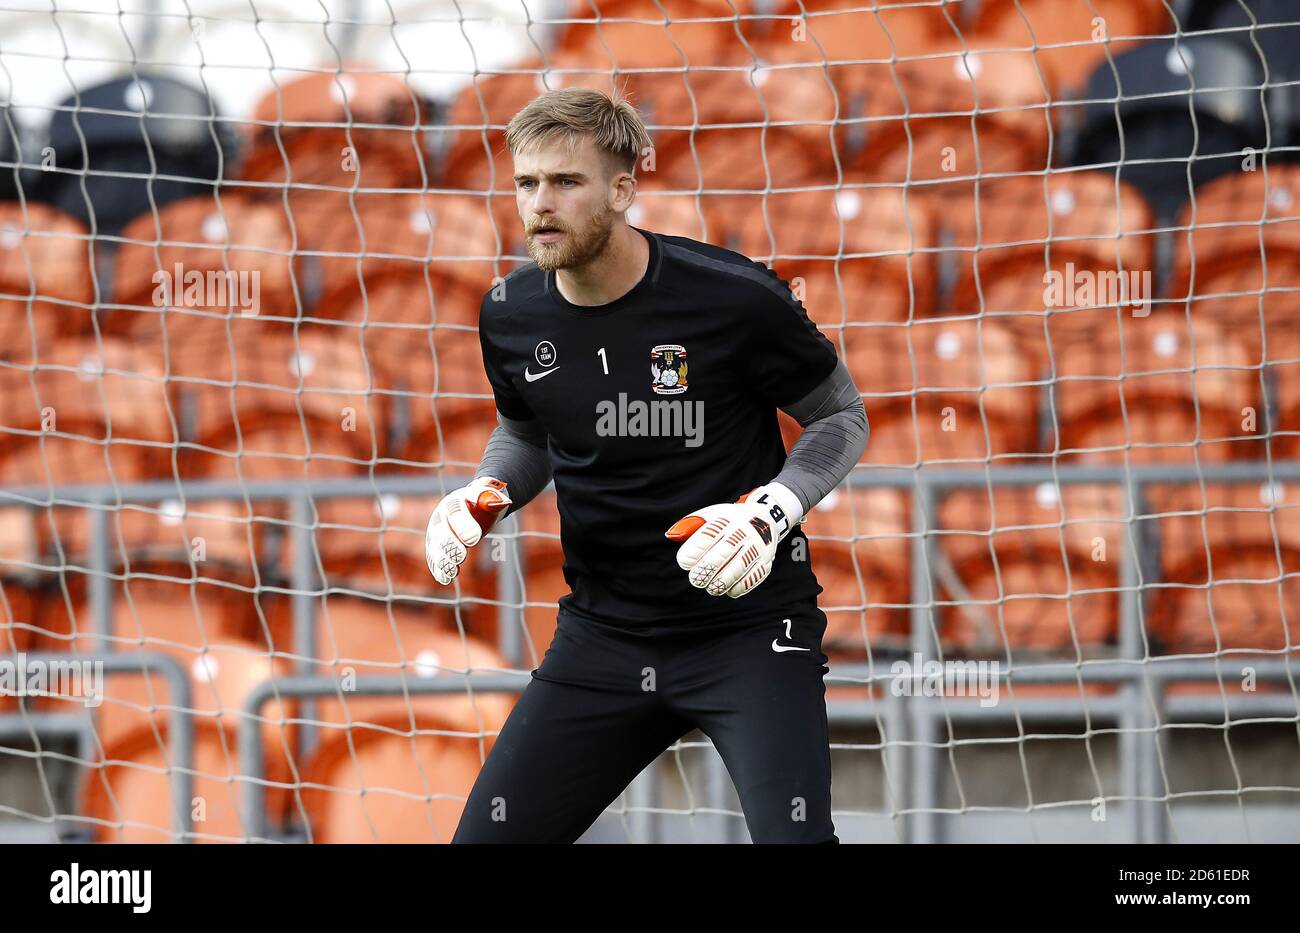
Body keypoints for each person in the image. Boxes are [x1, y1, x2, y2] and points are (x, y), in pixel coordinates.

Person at [427, 87, 868, 843]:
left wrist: (772, 509)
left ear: (624, 189)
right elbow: (526, 434)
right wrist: (486, 491)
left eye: (566, 182)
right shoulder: (509, 312)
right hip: (603, 636)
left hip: (749, 631)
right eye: (527, 183)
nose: (541, 204)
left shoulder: (736, 298)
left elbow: (840, 417)